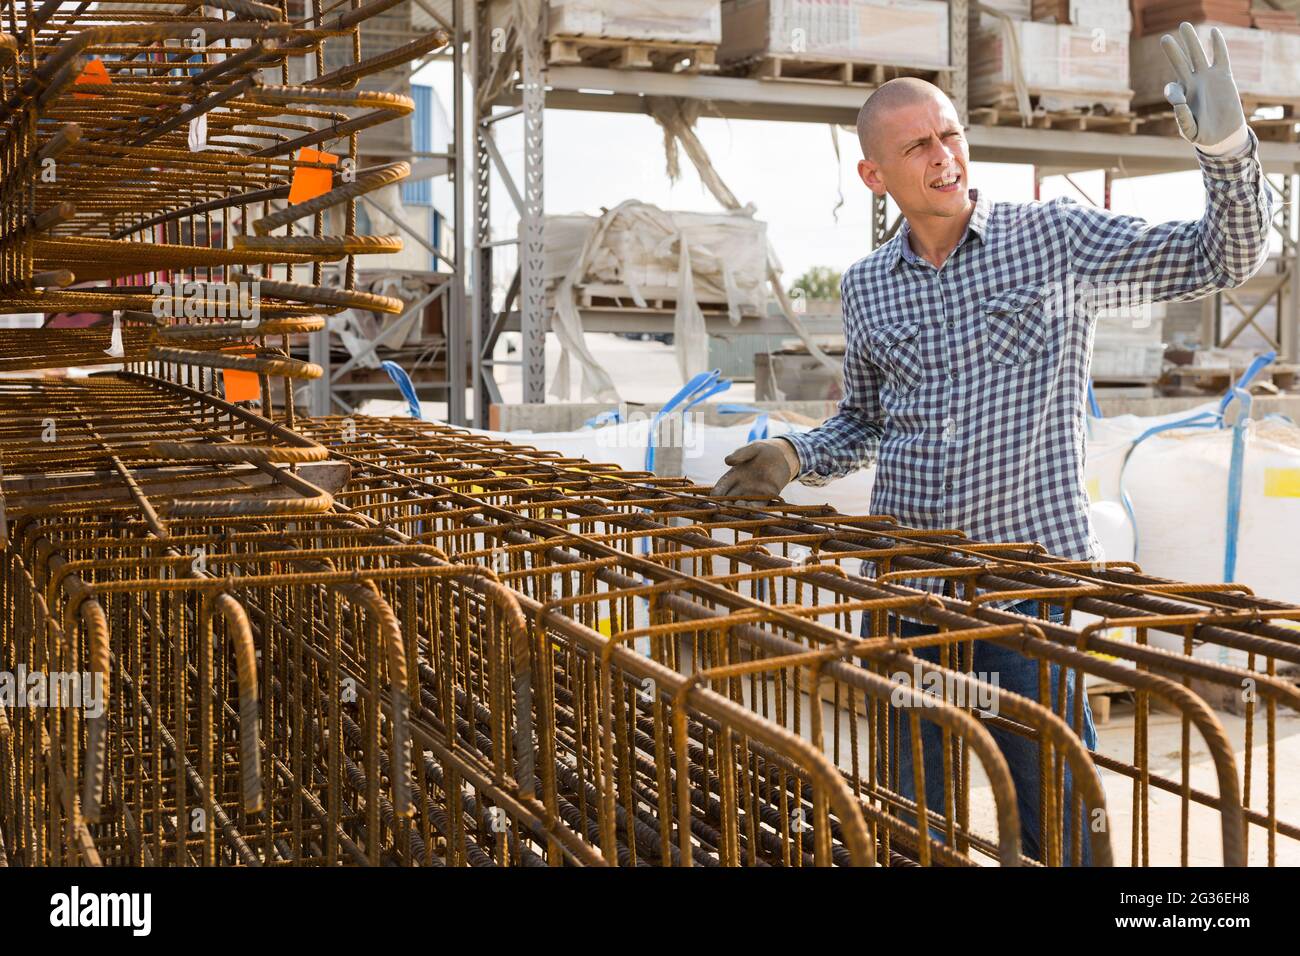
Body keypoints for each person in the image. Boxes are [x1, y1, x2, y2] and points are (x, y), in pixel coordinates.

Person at [710, 24, 1273, 864]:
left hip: (1026, 596)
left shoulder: (1051, 243)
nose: (945, 157)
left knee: (1054, 813)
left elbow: (1224, 253)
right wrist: (798, 457)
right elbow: (865, 418)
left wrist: (1227, 149)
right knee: (913, 817)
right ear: (876, 174)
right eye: (918, 146)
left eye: (951, 135)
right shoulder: (869, 287)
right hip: (911, 604)